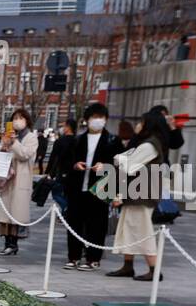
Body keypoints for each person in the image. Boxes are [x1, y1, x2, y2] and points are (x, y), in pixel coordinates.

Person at [106, 108, 171, 281]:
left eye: (141, 122)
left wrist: (119, 158)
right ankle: (128, 266)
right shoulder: (148, 143)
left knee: (141, 229)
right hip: (137, 191)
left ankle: (154, 268)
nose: (138, 125)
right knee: (129, 226)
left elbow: (129, 165)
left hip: (142, 192)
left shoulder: (150, 144)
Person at [63, 103, 121, 271]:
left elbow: (121, 164)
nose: (97, 121)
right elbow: (66, 162)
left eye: (101, 117)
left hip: (99, 189)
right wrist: (75, 165)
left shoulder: (112, 141)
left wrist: (106, 166)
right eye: (94, 117)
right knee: (74, 223)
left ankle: (93, 258)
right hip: (78, 188)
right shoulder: (78, 140)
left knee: (97, 225)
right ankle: (73, 256)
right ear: (87, 120)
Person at [0, 108, 38, 255]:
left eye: (21, 118)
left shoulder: (31, 137)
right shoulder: (9, 136)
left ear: (26, 120)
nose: (18, 121)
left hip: (21, 180)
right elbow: (0, 154)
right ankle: (7, 242)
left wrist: (14, 142)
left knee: (16, 213)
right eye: (15, 118)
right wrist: (5, 143)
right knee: (5, 213)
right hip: (7, 179)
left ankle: (14, 243)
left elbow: (25, 154)